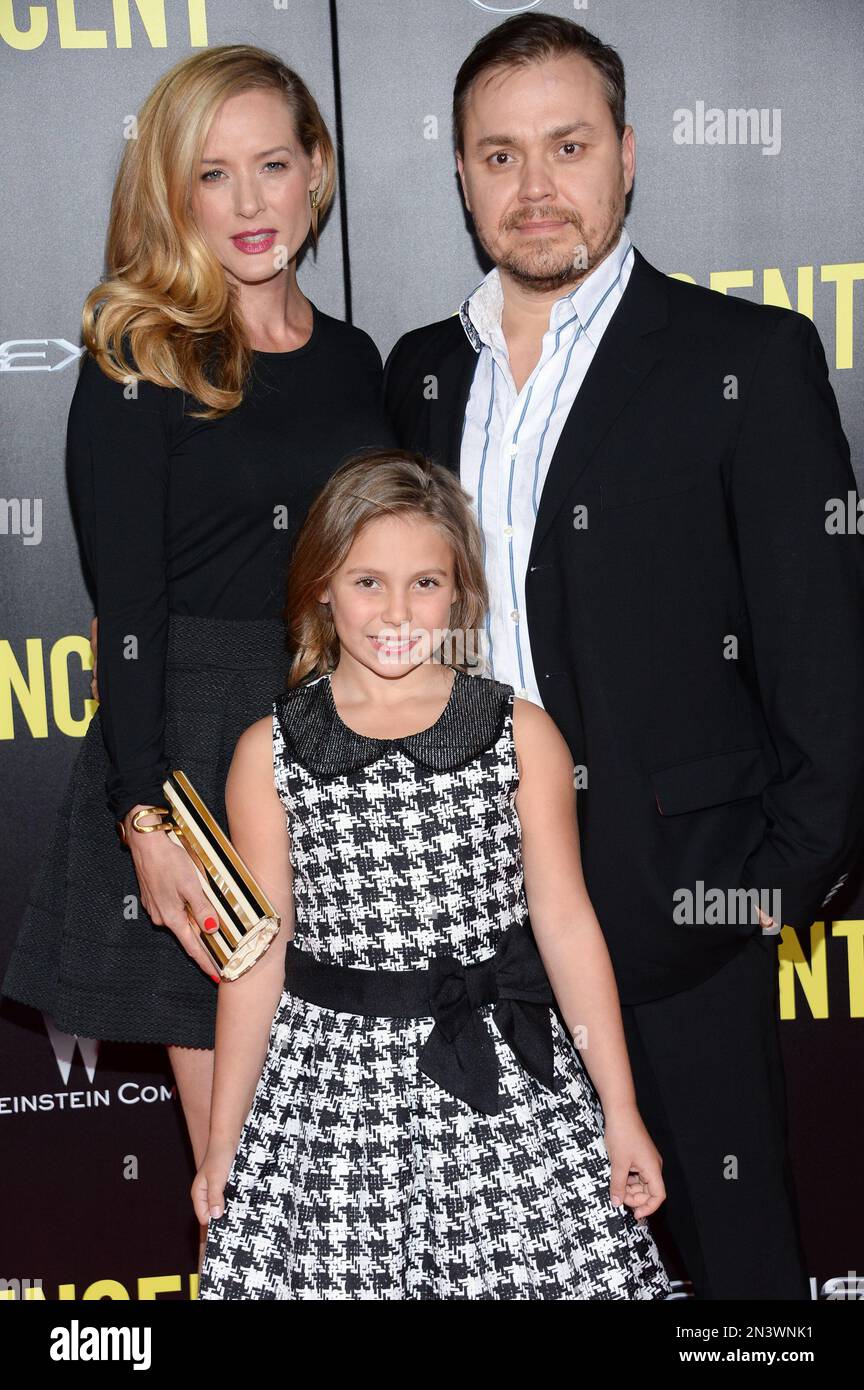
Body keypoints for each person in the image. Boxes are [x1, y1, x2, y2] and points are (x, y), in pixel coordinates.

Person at [381, 14, 864, 1299]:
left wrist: (762, 891)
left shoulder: (742, 361)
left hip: (678, 918)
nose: (535, 188)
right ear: (464, 176)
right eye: (499, 155)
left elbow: (825, 654)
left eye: (568, 145)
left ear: (630, 157)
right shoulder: (422, 375)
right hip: (465, 926)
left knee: (739, 1284)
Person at [1, 44, 395, 1265]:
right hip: (189, 746)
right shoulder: (140, 357)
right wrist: (147, 819)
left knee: (358, 1106)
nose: (249, 203)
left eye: (272, 165)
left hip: (340, 733)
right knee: (251, 1141)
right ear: (172, 195)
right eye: (211, 175)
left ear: (316, 173)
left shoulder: (355, 362)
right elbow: (124, 611)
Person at [192, 448, 672, 1300]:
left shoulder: (520, 733)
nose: (396, 609)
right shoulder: (267, 751)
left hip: (505, 1079)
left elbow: (564, 925)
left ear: (460, 593)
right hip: (329, 1093)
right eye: (367, 581)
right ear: (321, 588)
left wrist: (620, 1109)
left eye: (425, 582)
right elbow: (259, 956)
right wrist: (224, 1140)